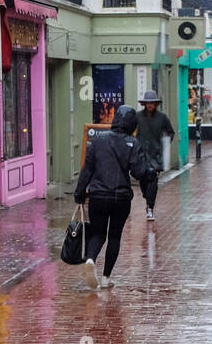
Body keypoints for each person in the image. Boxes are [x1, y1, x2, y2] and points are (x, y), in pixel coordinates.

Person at [74, 105, 148, 289]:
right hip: (121, 198)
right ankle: (106, 278)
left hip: (98, 196)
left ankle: (90, 259)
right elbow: (139, 172)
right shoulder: (132, 143)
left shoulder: (98, 141)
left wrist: (80, 192)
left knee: (98, 233)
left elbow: (87, 169)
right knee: (114, 236)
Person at [136, 90, 175, 220]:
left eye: (152, 103)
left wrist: (165, 144)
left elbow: (171, 132)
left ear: (156, 104)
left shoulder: (162, 118)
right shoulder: (138, 117)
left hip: (156, 155)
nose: (150, 105)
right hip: (141, 154)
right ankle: (147, 198)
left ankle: (150, 207)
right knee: (143, 182)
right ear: (144, 104)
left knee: (152, 180)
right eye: (148, 103)